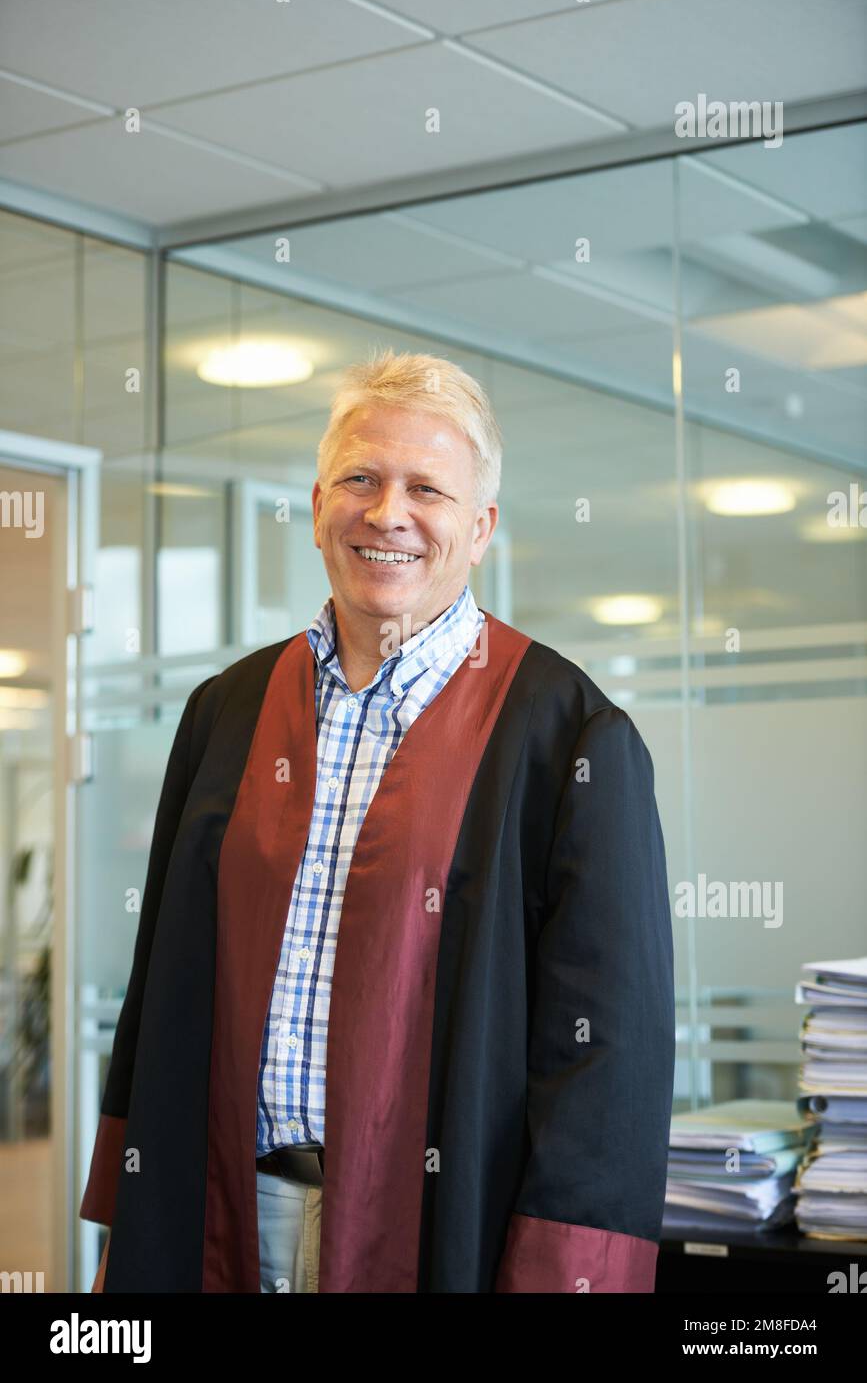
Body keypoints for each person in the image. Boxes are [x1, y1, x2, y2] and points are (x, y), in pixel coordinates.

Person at [82, 348, 675, 1293]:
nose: (386, 512)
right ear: (318, 501)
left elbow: (608, 1058)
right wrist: (129, 1216)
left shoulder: (570, 738)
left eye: (426, 489)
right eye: (359, 477)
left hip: (452, 1231)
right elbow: (161, 983)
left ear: (479, 528)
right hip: (219, 1214)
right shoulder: (226, 713)